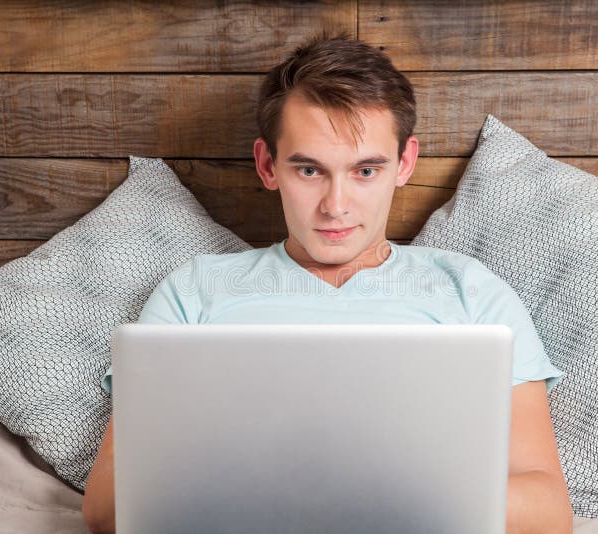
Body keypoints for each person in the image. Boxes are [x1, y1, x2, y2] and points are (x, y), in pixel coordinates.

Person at [82, 30, 572, 534]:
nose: (335, 206)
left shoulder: (473, 294)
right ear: (268, 165)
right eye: (310, 170)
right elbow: (105, 507)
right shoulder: (193, 295)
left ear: (404, 164)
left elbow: (548, 512)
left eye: (365, 171)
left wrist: (382, 490)